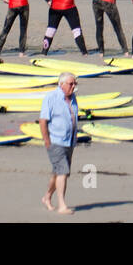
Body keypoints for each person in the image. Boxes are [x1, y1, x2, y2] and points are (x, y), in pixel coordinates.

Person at [39, 72, 79, 215]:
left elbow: (73, 118)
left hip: (70, 141)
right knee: (63, 171)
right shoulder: (51, 98)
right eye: (71, 84)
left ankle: (47, 197)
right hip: (56, 141)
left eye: (75, 84)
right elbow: (43, 121)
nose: (74, 87)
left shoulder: (73, 98)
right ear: (61, 84)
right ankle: (62, 205)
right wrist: (47, 141)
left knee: (59, 172)